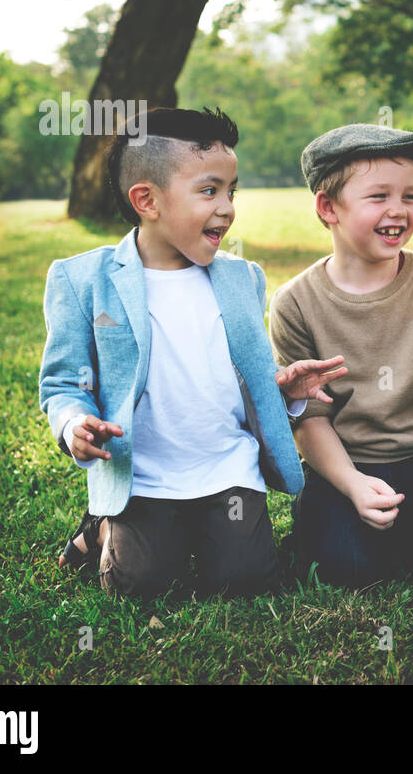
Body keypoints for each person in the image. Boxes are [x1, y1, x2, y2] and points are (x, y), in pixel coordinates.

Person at [40, 107, 345, 597]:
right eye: (209, 191)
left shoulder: (242, 278)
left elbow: (245, 378)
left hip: (226, 468)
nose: (227, 208)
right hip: (145, 475)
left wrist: (282, 388)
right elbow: (60, 384)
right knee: (139, 583)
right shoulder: (82, 281)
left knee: (245, 580)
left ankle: (193, 531)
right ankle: (99, 525)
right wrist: (75, 423)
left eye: (232, 191)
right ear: (147, 199)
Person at [269, 124, 413, 587]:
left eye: (410, 197)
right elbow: (309, 417)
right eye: (378, 197)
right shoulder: (294, 302)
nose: (398, 211)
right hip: (345, 459)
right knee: (347, 570)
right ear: (327, 207)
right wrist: (353, 485)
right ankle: (327, 524)